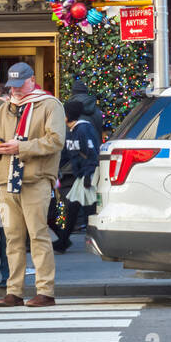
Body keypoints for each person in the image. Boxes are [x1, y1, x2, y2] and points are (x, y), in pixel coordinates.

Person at [0, 63, 65, 308]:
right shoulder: (5, 107)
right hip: (7, 179)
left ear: (32, 81)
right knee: (12, 238)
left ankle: (45, 291)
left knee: (38, 235)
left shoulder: (50, 105)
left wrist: (21, 147)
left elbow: (55, 140)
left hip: (35, 179)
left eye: (20, 85)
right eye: (13, 86)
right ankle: (15, 291)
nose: (16, 90)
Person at [54, 100, 100, 253]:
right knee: (75, 208)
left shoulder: (82, 130)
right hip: (82, 176)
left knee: (86, 208)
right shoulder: (73, 131)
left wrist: (88, 175)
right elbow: (67, 154)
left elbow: (92, 153)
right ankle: (63, 240)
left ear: (68, 116)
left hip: (87, 175)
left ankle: (65, 241)